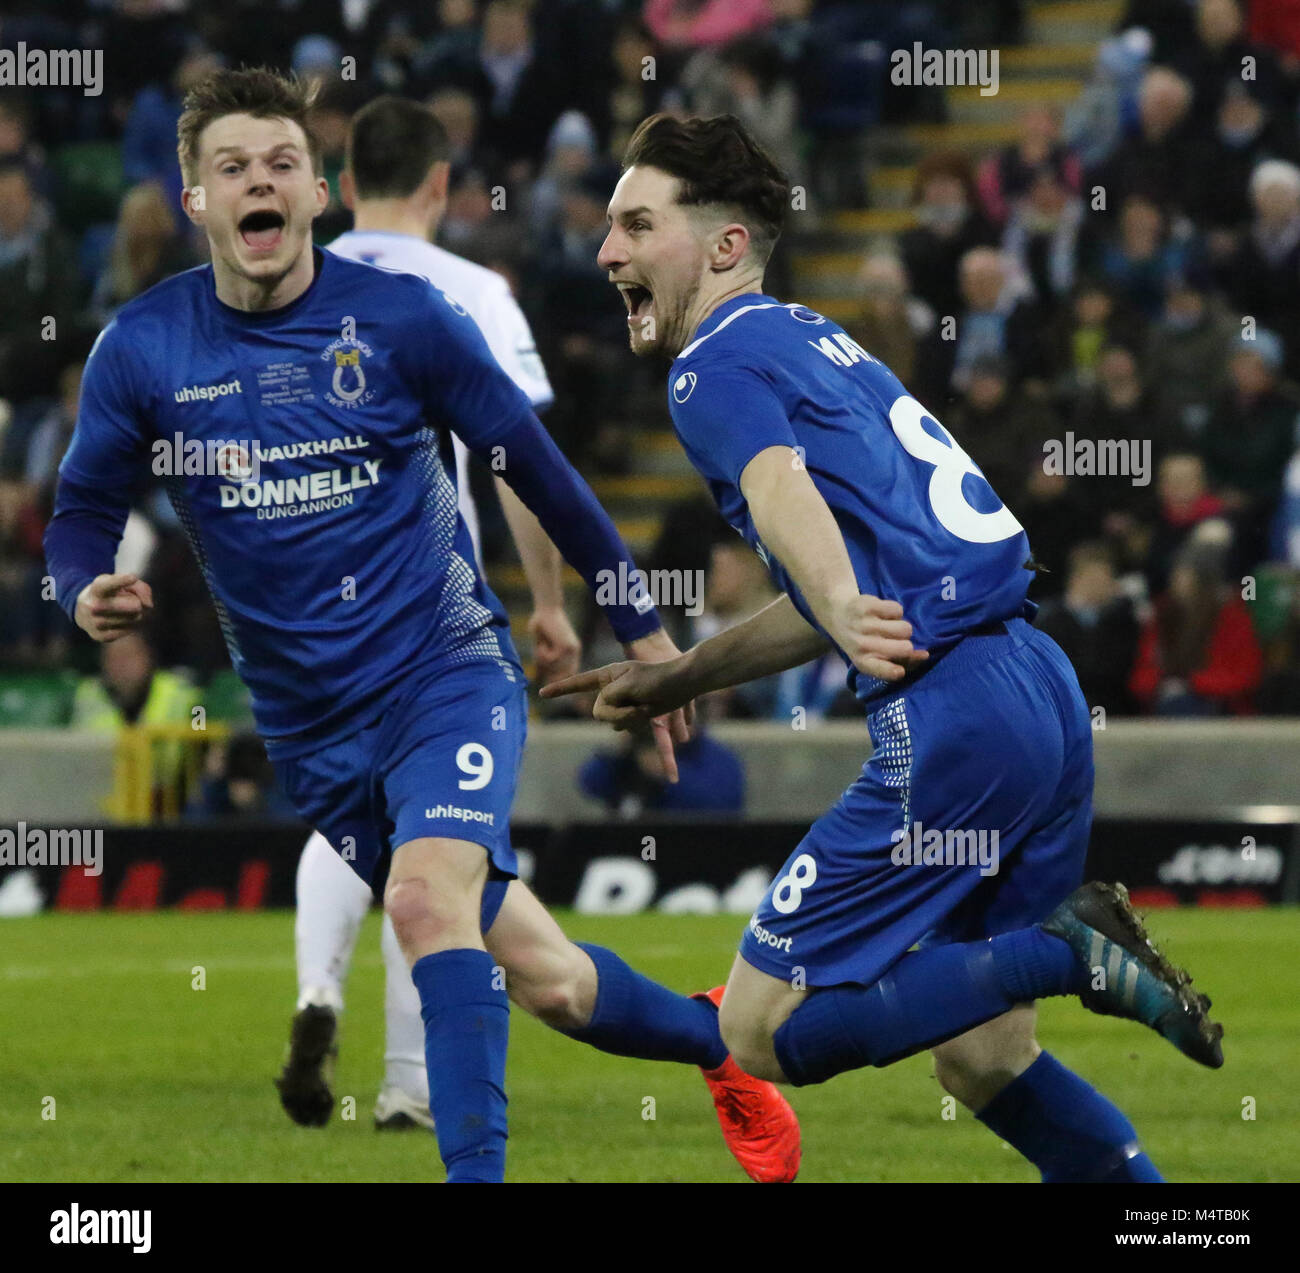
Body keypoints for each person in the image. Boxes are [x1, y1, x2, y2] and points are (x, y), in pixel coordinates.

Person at [43, 70, 798, 1185]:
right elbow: (79, 514)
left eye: (283, 163)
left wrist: (636, 624)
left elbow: (535, 471)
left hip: (444, 669)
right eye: (233, 167)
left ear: (319, 190)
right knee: (546, 977)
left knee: (416, 898)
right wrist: (79, 587)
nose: (261, 182)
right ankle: (716, 1041)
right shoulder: (144, 349)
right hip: (310, 728)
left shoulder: (397, 320)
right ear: (196, 197)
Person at [547, 111, 1224, 1184]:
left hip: (955, 715)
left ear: (724, 246)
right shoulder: (815, 340)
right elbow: (847, 577)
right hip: (1034, 688)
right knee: (984, 1054)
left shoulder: (709, 367)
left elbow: (782, 493)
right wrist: (684, 670)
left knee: (761, 1030)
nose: (605, 250)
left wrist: (840, 601)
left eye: (636, 224)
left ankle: (1068, 949)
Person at [278, 93, 575, 1135]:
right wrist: (548, 604)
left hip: (301, 601)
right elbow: (517, 463)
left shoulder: (296, 282)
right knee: (431, 843)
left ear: (345, 182)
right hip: (420, 603)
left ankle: (319, 988)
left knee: (345, 816)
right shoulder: (473, 292)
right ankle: (408, 1082)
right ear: (442, 185)